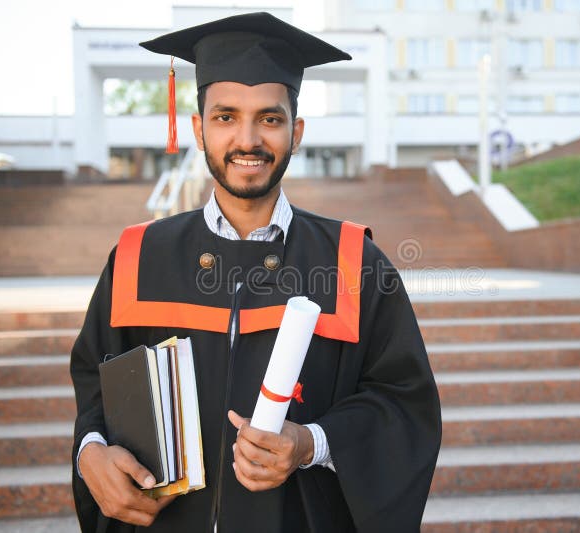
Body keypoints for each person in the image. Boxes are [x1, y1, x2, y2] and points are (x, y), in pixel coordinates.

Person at [70, 11, 441, 533]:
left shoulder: (353, 261)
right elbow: (95, 386)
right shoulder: (139, 257)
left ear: (297, 131)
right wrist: (90, 452)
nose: (247, 139)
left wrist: (309, 443)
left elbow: (403, 404)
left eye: (269, 118)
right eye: (225, 117)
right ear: (198, 129)